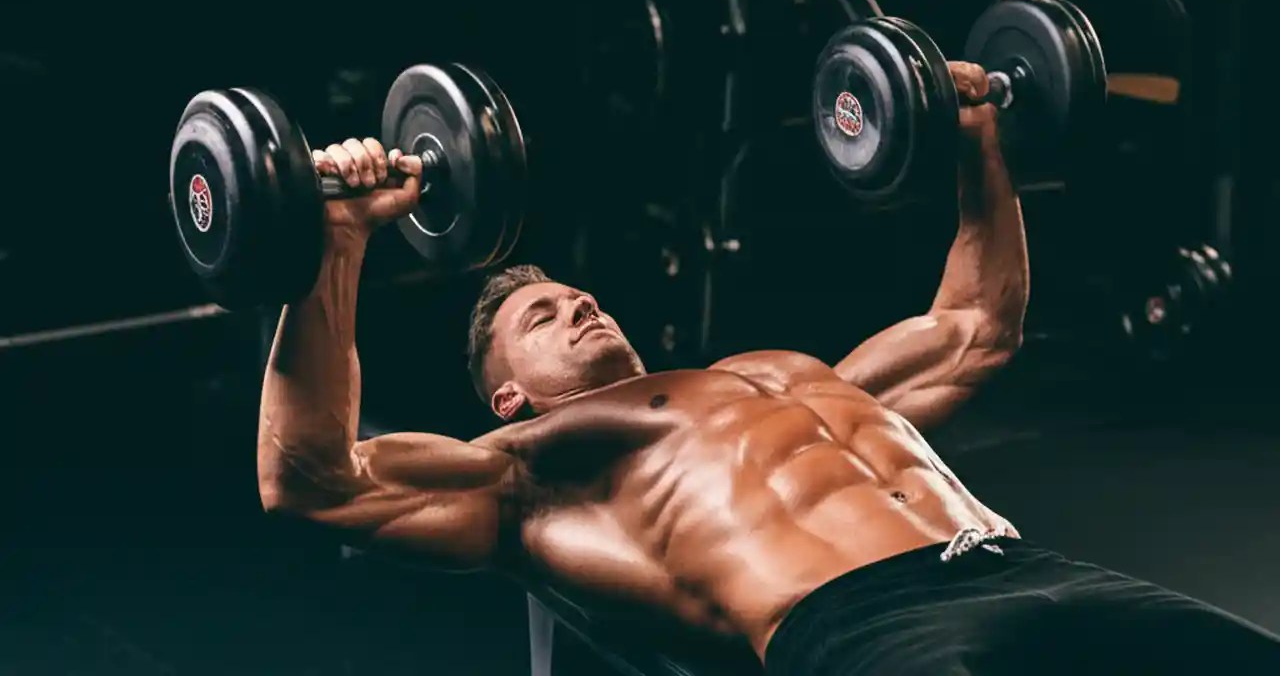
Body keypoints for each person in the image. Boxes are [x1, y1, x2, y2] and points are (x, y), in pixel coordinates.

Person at [256, 62, 1280, 675]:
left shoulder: (788, 375)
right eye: (539, 314)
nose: (577, 303)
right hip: (864, 628)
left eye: (578, 295)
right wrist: (334, 242)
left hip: (1020, 568)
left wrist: (977, 137)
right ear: (507, 393)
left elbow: (973, 325)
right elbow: (306, 480)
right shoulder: (535, 468)